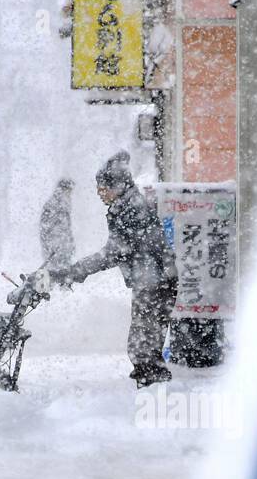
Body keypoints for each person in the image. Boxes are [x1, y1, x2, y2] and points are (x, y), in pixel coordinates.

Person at [49, 153, 176, 387]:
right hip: (153, 280)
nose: (100, 194)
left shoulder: (132, 209)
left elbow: (113, 252)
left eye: (103, 188)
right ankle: (151, 383)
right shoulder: (126, 205)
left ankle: (154, 386)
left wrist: (76, 271)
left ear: (117, 186)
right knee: (145, 340)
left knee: (144, 341)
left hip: (154, 281)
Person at [38, 178, 75, 270]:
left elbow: (66, 228)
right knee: (58, 275)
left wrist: (70, 243)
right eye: (69, 191)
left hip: (61, 249)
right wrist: (54, 246)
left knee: (61, 275)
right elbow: (46, 228)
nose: (70, 194)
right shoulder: (55, 205)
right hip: (56, 250)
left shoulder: (62, 204)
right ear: (63, 189)